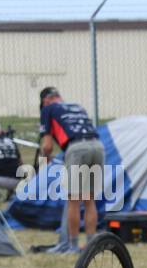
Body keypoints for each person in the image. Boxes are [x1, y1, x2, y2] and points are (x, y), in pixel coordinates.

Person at [38, 88, 106, 253]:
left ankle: (72, 246)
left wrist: (45, 158)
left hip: (77, 148)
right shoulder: (77, 107)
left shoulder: (48, 109)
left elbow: (47, 145)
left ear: (45, 101)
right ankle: (91, 245)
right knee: (89, 200)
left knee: (73, 200)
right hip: (98, 146)